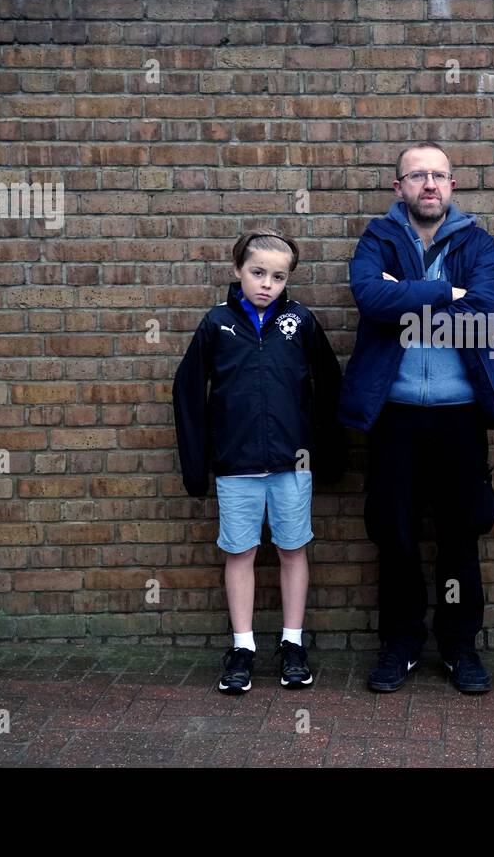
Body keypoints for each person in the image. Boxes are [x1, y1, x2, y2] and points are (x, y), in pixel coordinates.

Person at [338, 141, 494, 694]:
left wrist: (407, 299)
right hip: (394, 416)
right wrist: (444, 292)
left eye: (439, 175)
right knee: (395, 535)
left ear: (453, 185)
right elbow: (370, 300)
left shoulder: (477, 242)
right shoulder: (379, 238)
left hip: (460, 416)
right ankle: (401, 644)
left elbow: (484, 314)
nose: (429, 185)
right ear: (400, 188)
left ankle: (460, 648)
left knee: (461, 536)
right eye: (417, 176)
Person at [172, 228, 345, 694]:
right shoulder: (216, 325)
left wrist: (328, 457)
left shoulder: (301, 322)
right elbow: (188, 393)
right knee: (240, 553)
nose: (267, 284)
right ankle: (243, 647)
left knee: (292, 550)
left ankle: (292, 643)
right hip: (236, 466)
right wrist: (197, 464)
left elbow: (329, 388)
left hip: (293, 466)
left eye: (278, 276)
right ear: (237, 271)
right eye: (258, 273)